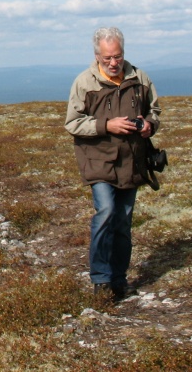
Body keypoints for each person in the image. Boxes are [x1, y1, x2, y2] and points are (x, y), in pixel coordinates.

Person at [65, 26, 160, 301]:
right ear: (97, 55)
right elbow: (72, 123)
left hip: (132, 162)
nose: (114, 62)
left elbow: (154, 111)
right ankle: (101, 279)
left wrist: (149, 125)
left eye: (117, 56)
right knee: (106, 212)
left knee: (123, 221)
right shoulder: (84, 82)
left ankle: (119, 279)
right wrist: (107, 125)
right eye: (107, 58)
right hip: (98, 162)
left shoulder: (140, 78)